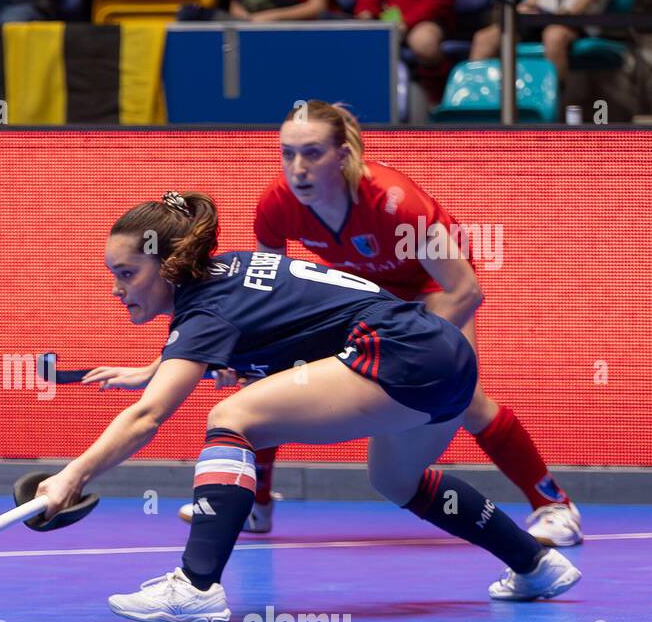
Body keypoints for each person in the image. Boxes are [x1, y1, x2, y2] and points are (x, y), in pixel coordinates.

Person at [35, 191, 580, 622]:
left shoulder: (205, 313)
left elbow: (147, 418)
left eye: (127, 274)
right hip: (445, 354)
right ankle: (535, 564)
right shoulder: (231, 272)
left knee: (231, 418)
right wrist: (154, 370)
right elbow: (274, 331)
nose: (116, 288)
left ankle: (196, 586)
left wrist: (71, 477)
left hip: (398, 354)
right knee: (396, 479)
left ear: (172, 267)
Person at [88, 101, 582, 547]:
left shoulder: (395, 204)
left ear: (342, 155)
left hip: (427, 295)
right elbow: (259, 304)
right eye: (287, 154)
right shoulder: (277, 205)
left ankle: (553, 506)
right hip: (359, 302)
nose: (297, 169)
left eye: (312, 153)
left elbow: (464, 289)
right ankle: (255, 504)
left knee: (467, 402)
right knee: (268, 379)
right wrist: (193, 360)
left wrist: (397, 345)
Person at [470, 0, 621, 92]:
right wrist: (525, 9)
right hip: (538, 19)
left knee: (554, 35)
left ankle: (552, 100)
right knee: (484, 38)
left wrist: (564, 14)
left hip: (576, 21)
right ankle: (476, 100)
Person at [355, 0, 455, 103]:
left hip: (424, 19)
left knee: (423, 43)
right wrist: (366, 13)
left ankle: (436, 100)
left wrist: (406, 22)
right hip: (384, 18)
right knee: (355, 36)